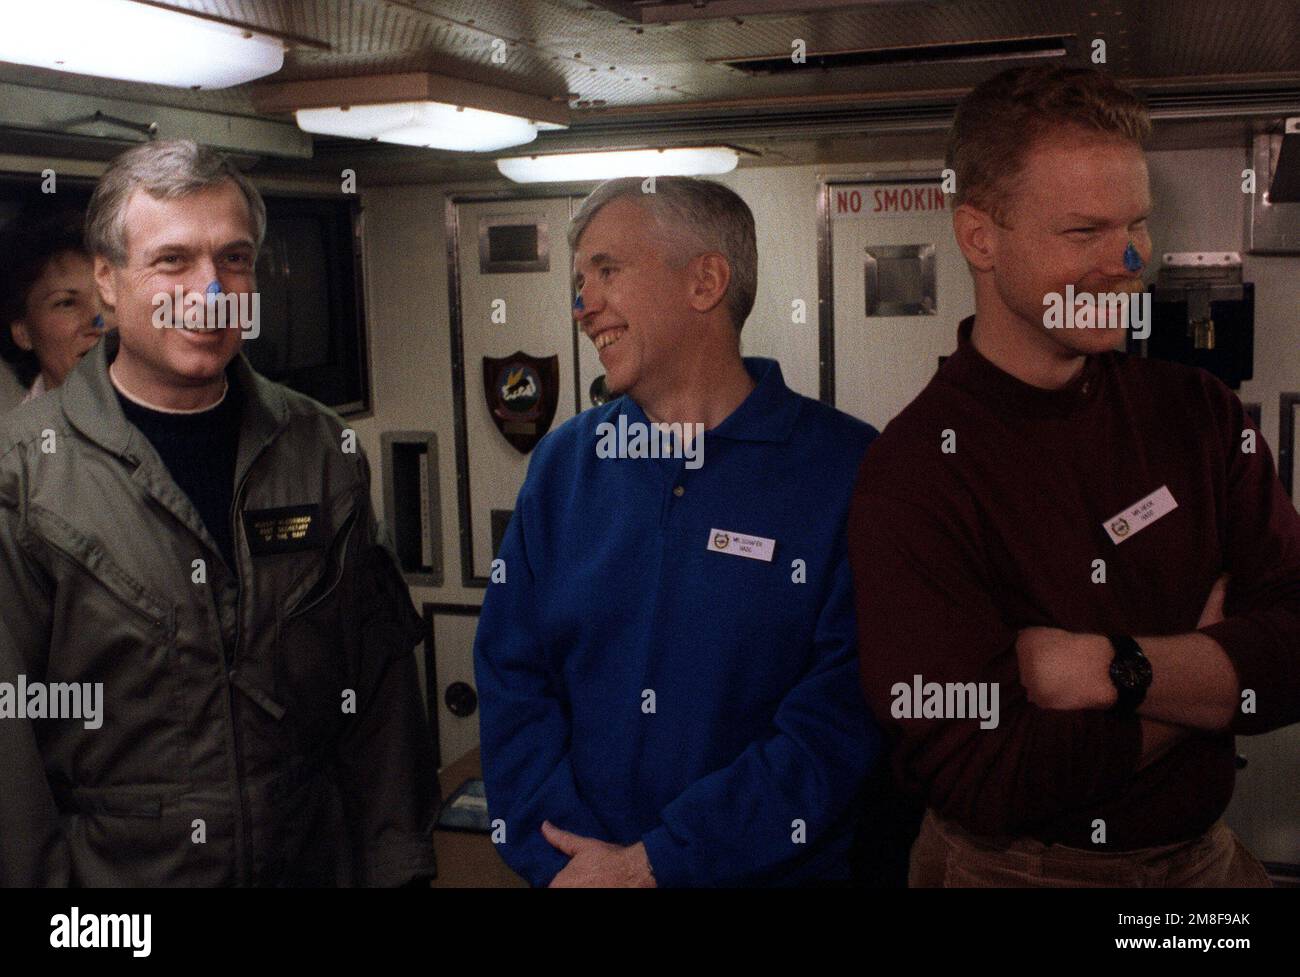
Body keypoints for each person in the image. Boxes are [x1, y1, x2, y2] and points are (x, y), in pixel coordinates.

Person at [848, 65, 1299, 887]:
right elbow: (990, 771)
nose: (1127, 259)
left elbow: (1298, 647)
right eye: (1084, 231)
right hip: (1019, 871)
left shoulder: (1198, 414)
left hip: (1205, 864)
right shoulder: (914, 476)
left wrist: (1110, 670)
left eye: (1136, 224)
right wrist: (1203, 677)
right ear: (980, 236)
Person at [0, 139, 438, 886]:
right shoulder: (25, 474)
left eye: (233, 259)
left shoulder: (321, 449)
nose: (211, 291)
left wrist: (399, 867)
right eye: (172, 261)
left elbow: (381, 695)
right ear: (107, 278)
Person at [474, 176, 883, 887]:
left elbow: (838, 722)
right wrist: (567, 858)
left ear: (705, 282)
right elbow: (513, 680)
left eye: (607, 271)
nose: (583, 305)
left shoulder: (845, 470)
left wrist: (660, 862)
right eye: (579, 280)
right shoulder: (566, 466)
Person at [0, 205, 103, 404]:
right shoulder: (13, 434)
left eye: (108, 299)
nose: (98, 322)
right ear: (23, 333)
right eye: (67, 303)